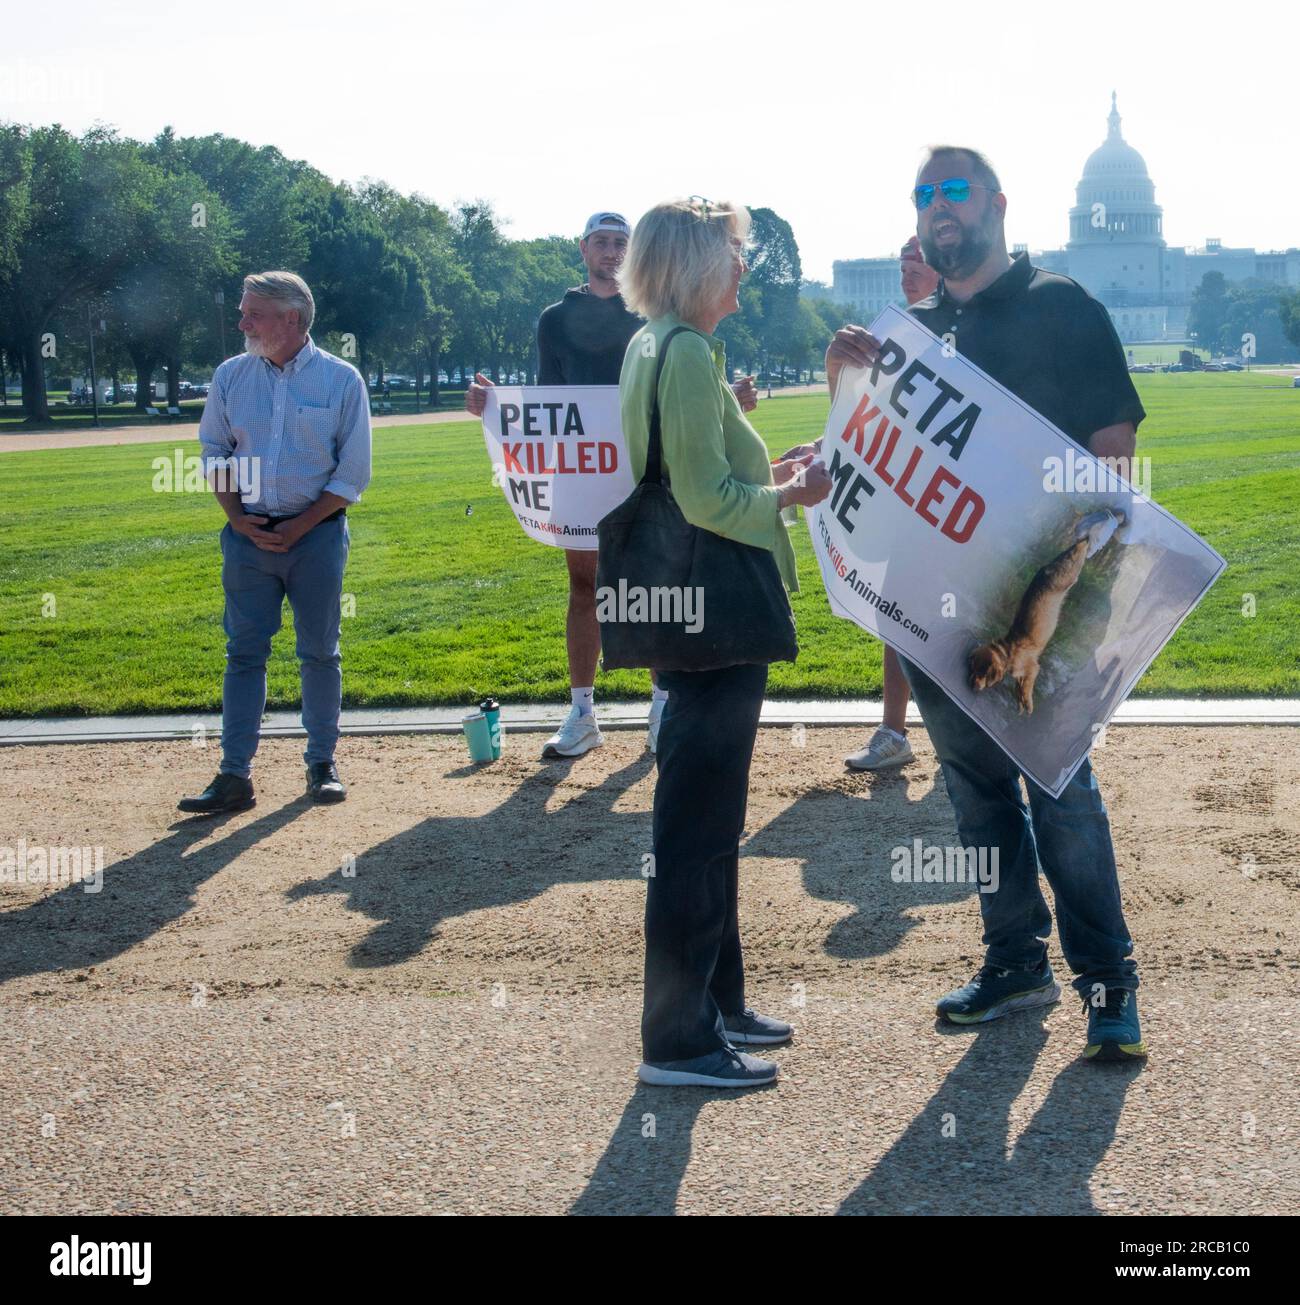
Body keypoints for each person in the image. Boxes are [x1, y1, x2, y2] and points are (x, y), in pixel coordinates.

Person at [826, 146, 1148, 1062]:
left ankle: (1108, 982)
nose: (937, 207)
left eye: (954, 190)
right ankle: (1014, 959)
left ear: (997, 203)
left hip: (1038, 601)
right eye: (923, 194)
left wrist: (1062, 565)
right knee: (974, 799)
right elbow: (864, 456)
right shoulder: (909, 332)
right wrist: (844, 373)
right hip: (937, 611)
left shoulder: (1062, 306)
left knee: (1062, 793)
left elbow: (1113, 455)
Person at [618, 198, 832, 1089]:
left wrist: (775, 472)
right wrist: (793, 497)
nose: (745, 269)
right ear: (701, 265)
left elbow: (683, 475)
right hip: (715, 612)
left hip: (683, 605)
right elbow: (704, 500)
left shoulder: (653, 343)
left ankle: (717, 1000)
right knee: (698, 828)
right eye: (736, 255)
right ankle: (679, 1039)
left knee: (705, 819)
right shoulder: (692, 354)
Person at [466, 212, 759, 759]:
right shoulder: (556, 318)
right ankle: (582, 711)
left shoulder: (653, 311)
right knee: (585, 587)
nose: (612, 251)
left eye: (621, 243)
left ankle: (660, 704)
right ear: (583, 250)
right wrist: (494, 408)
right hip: (581, 466)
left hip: (645, 464)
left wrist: (727, 400)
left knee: (651, 587)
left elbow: (684, 382)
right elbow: (546, 399)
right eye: (602, 242)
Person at [179, 271, 371, 814]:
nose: (241, 322)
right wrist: (237, 518)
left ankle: (321, 764)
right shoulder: (230, 376)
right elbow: (214, 451)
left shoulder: (341, 380)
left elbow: (353, 473)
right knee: (243, 653)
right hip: (248, 539)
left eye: (252, 314)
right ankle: (234, 775)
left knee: (319, 652)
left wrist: (302, 525)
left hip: (317, 540)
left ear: (291, 320)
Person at [844, 236, 939, 772]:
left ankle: (976, 733)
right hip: (906, 495)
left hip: (954, 503)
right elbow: (861, 413)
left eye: (917, 261)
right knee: (896, 610)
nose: (906, 270)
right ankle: (894, 729)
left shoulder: (966, 331)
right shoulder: (892, 334)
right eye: (902, 261)